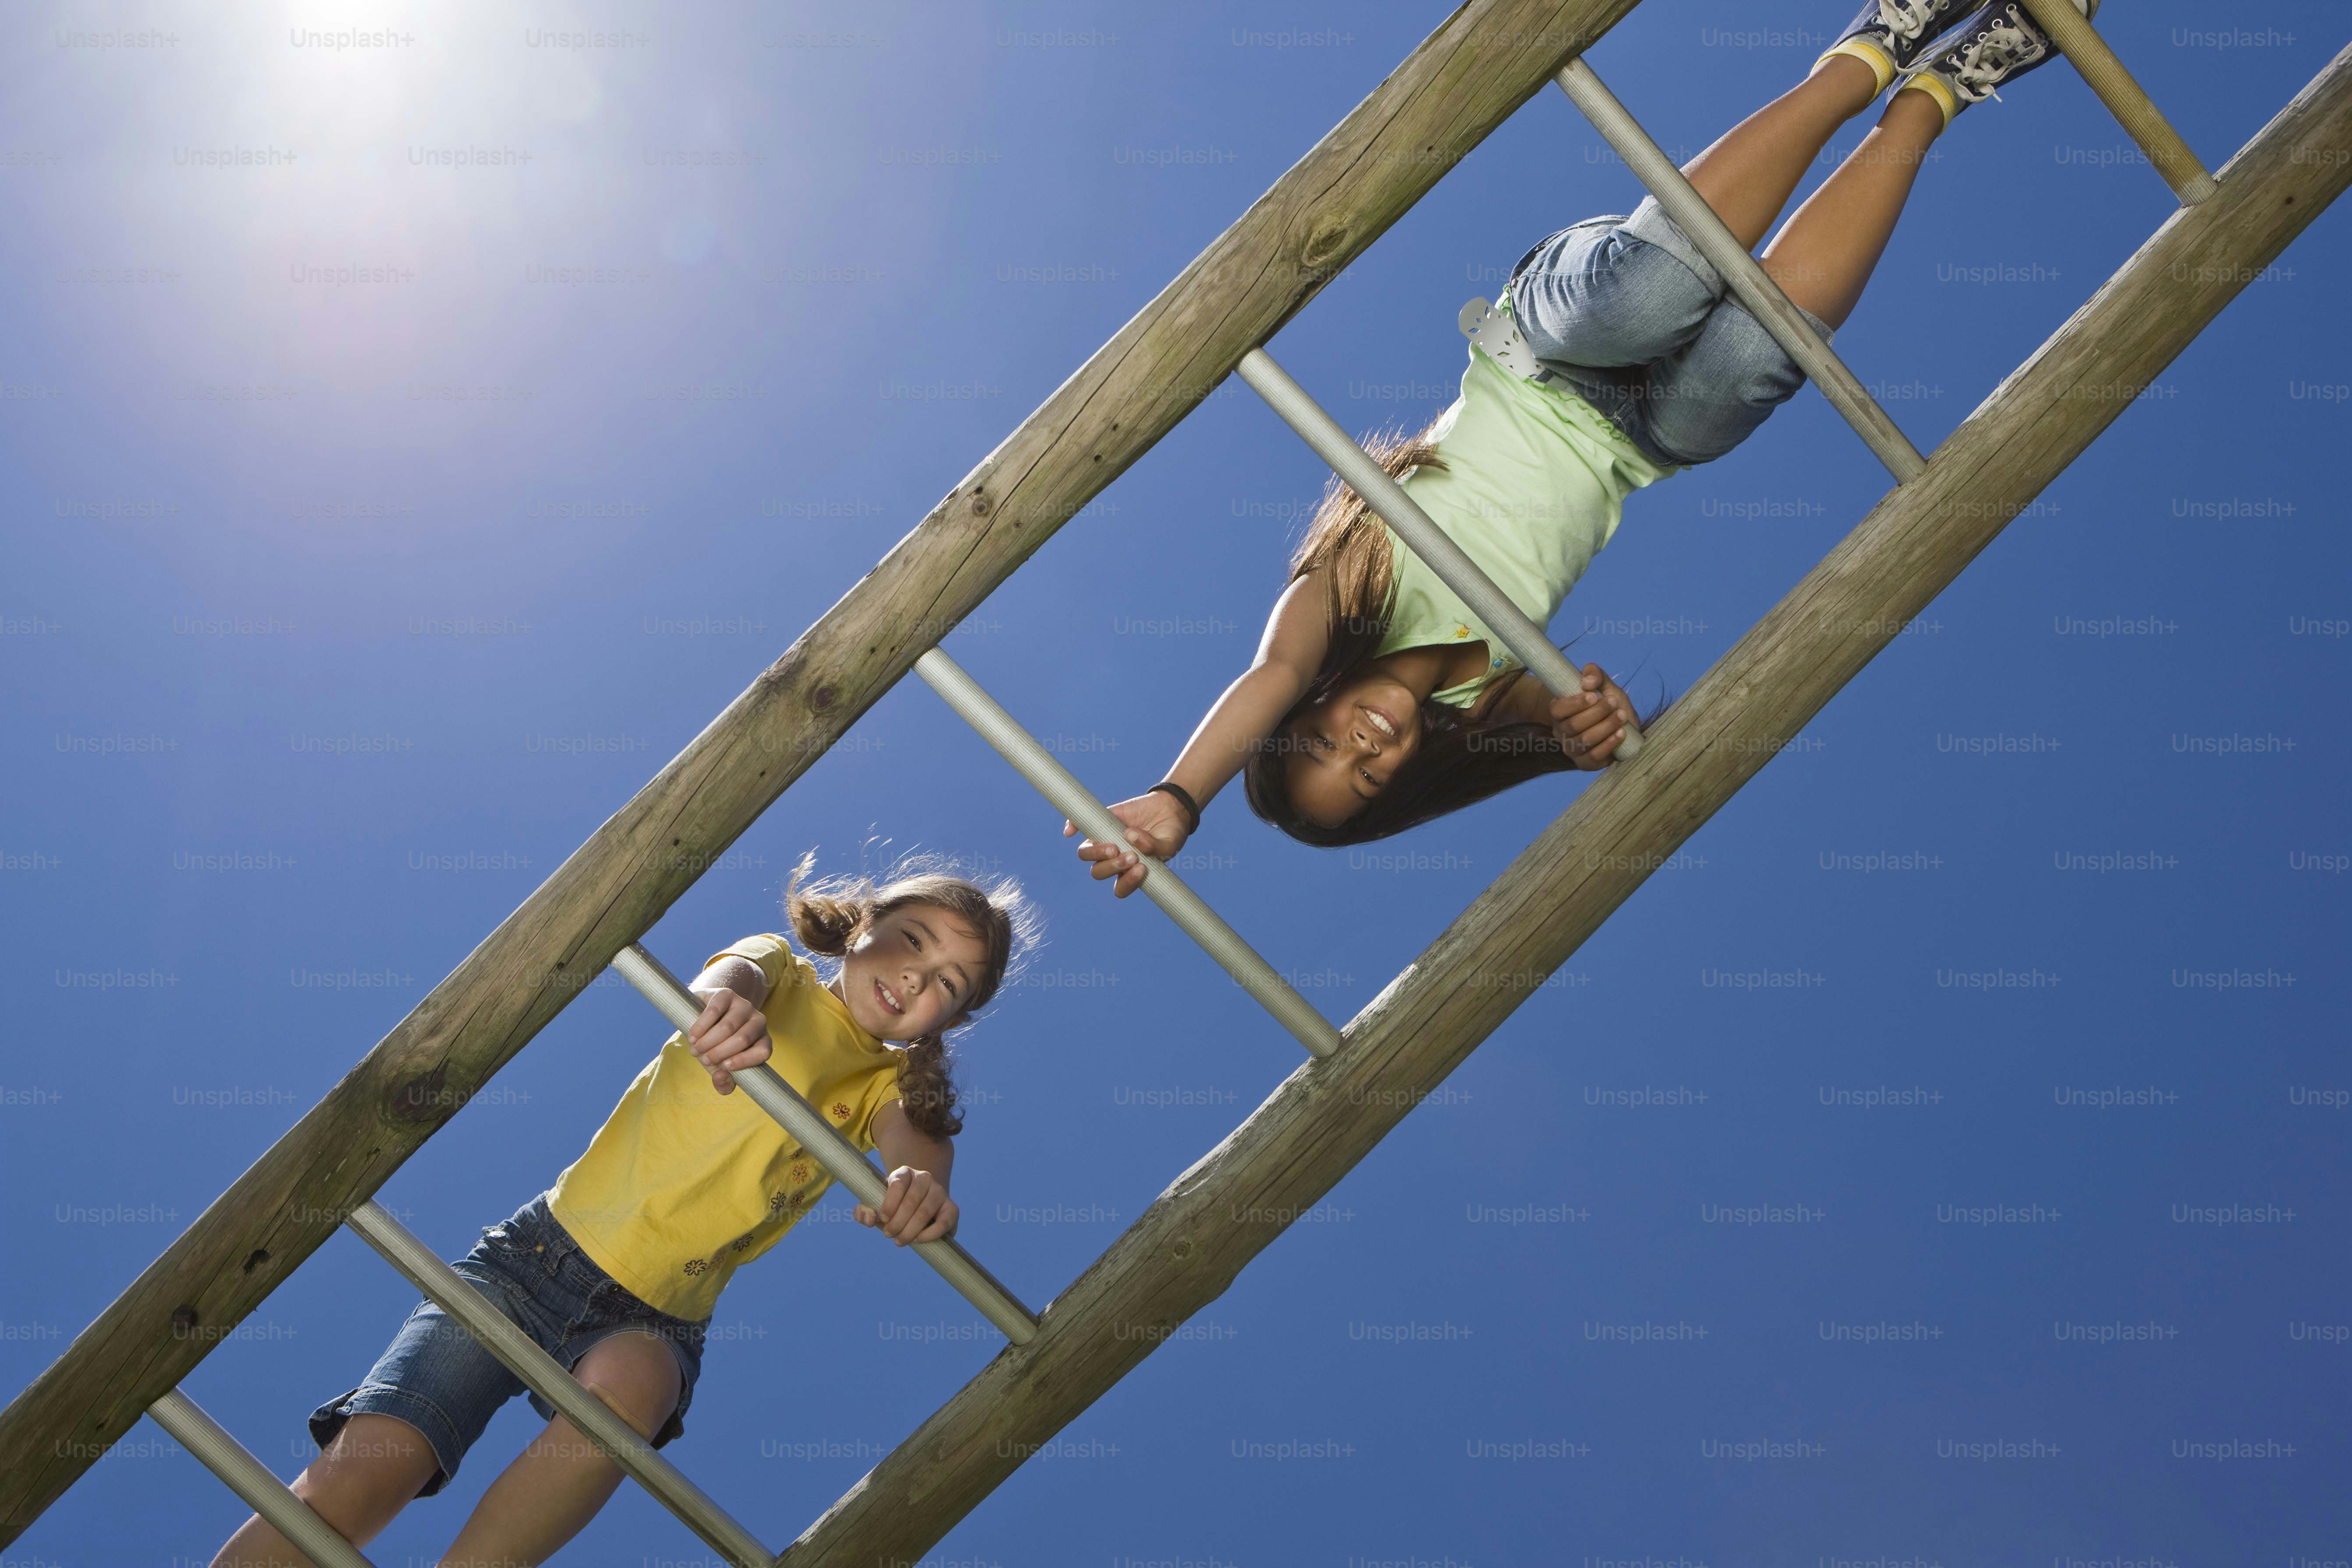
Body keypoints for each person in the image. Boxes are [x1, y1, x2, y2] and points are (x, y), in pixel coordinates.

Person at [1071, 0, 2094, 890]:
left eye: (1330, 744)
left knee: (1653, 289)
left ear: (1317, 702)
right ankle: (1938, 93)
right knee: (1746, 369)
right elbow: (1577, 728)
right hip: (1639, 438)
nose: (1366, 746)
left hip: (1547, 347)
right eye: (1372, 775)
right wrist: (1584, 727)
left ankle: (1876, 45)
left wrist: (1180, 797)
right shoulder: (1484, 704)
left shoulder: (1346, 590)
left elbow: (1267, 676)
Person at [210, 852, 1035, 1568]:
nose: (916, 979)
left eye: (946, 987)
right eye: (913, 943)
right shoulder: (776, 971)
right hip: (531, 1260)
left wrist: (920, 1184)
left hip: (654, 1317)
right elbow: (727, 974)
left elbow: (920, 1141)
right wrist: (724, 1006)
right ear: (862, 926)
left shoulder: (884, 1085)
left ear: (952, 1020)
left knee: (635, 1389)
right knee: (364, 1472)